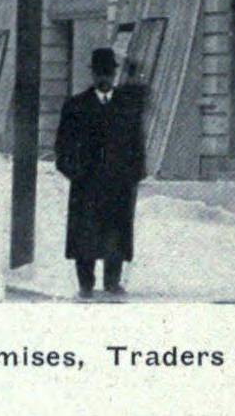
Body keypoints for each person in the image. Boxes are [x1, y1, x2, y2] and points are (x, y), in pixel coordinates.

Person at [54, 47, 146, 299]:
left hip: (118, 184)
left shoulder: (127, 106)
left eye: (108, 73)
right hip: (87, 186)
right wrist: (76, 172)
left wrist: (134, 175)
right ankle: (85, 284)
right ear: (92, 74)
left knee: (115, 234)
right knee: (86, 236)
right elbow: (62, 148)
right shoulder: (75, 106)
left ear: (114, 74)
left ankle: (112, 283)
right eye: (99, 73)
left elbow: (137, 144)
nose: (104, 78)